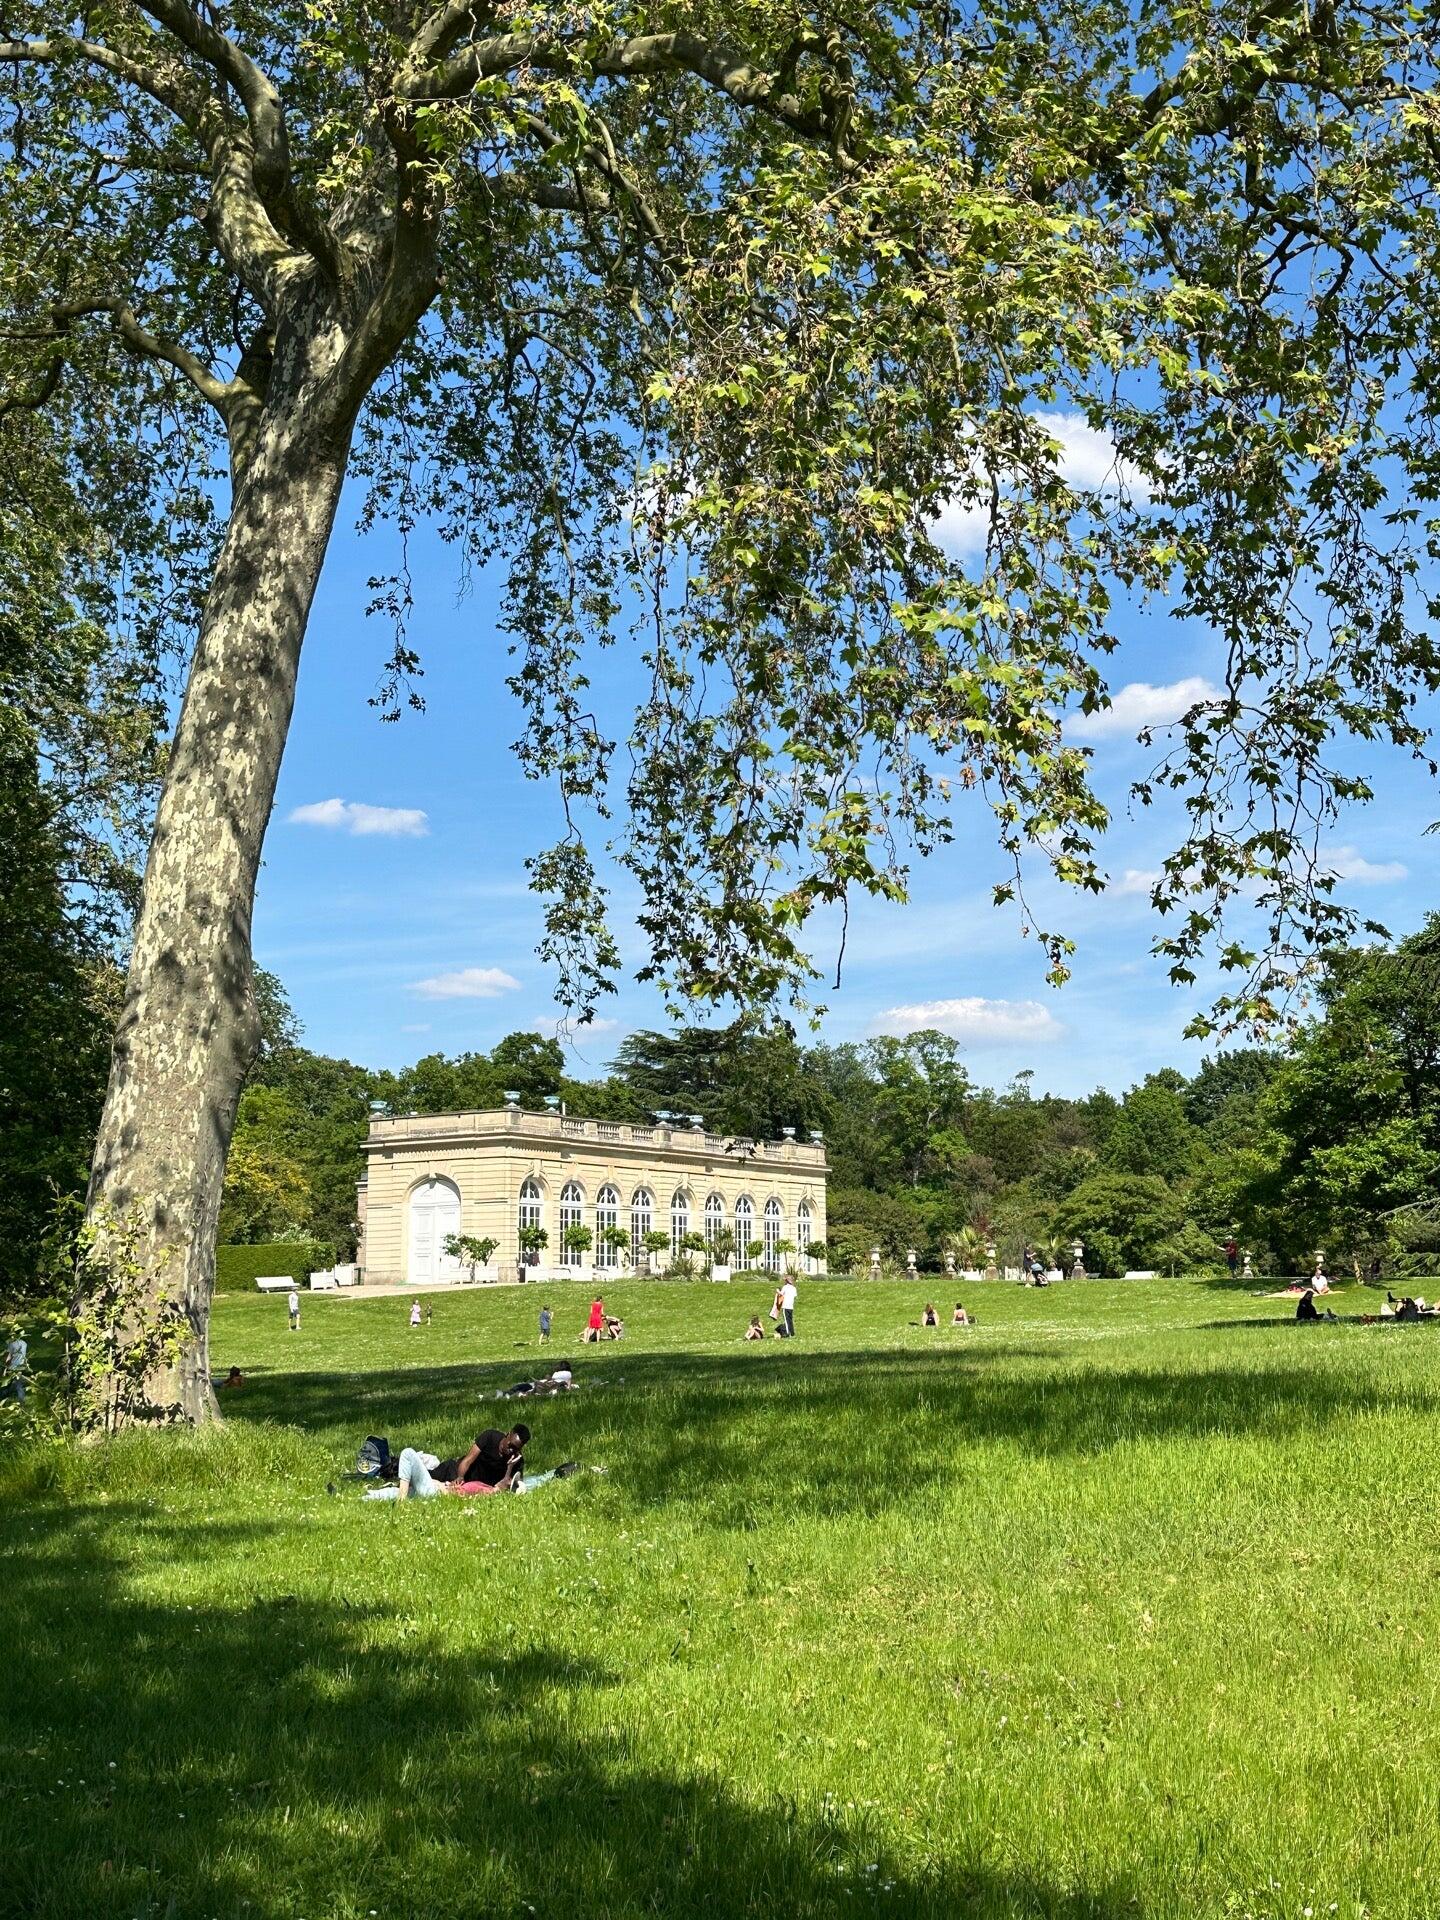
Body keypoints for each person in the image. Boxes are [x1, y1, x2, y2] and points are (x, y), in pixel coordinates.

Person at [364, 1446, 521, 1500]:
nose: (507, 1480)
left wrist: (440, 1487)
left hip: (435, 1492)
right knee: (400, 1491)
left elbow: (455, 1496)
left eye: (508, 1482)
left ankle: (401, 1503)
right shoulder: (483, 1485)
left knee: (408, 1453)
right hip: (436, 1489)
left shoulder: (488, 1491)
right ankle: (368, 1497)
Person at [433, 1424, 530, 1488]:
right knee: (428, 1479)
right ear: (508, 1434)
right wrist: (460, 1477)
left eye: (516, 1448)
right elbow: (467, 1460)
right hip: (460, 1472)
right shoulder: (490, 1437)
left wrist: (510, 1467)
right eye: (510, 1445)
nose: (511, 1450)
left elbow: (513, 1486)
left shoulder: (517, 1461)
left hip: (476, 1486)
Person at [3, 1330, 27, 1403]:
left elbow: (8, 1357)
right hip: (21, 1366)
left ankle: (4, 1400)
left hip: (12, 1367)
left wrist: (5, 1368)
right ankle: (21, 1402)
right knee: (19, 1386)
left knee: (6, 1384)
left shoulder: (12, 1344)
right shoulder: (24, 1343)